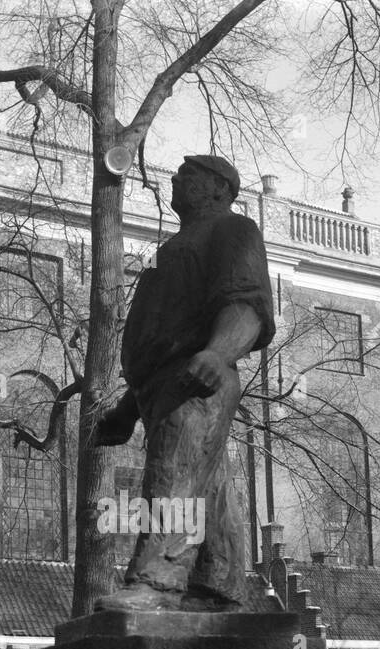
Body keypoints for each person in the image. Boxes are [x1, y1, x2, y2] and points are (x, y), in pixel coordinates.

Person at [93, 154, 275, 612]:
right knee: (206, 483)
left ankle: (157, 580)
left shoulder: (235, 231)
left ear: (218, 187)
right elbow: (156, 340)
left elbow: (246, 301)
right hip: (162, 385)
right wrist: (127, 410)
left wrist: (219, 352)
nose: (175, 180)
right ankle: (222, 585)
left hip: (197, 377)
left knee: (173, 475)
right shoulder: (176, 246)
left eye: (187, 174)